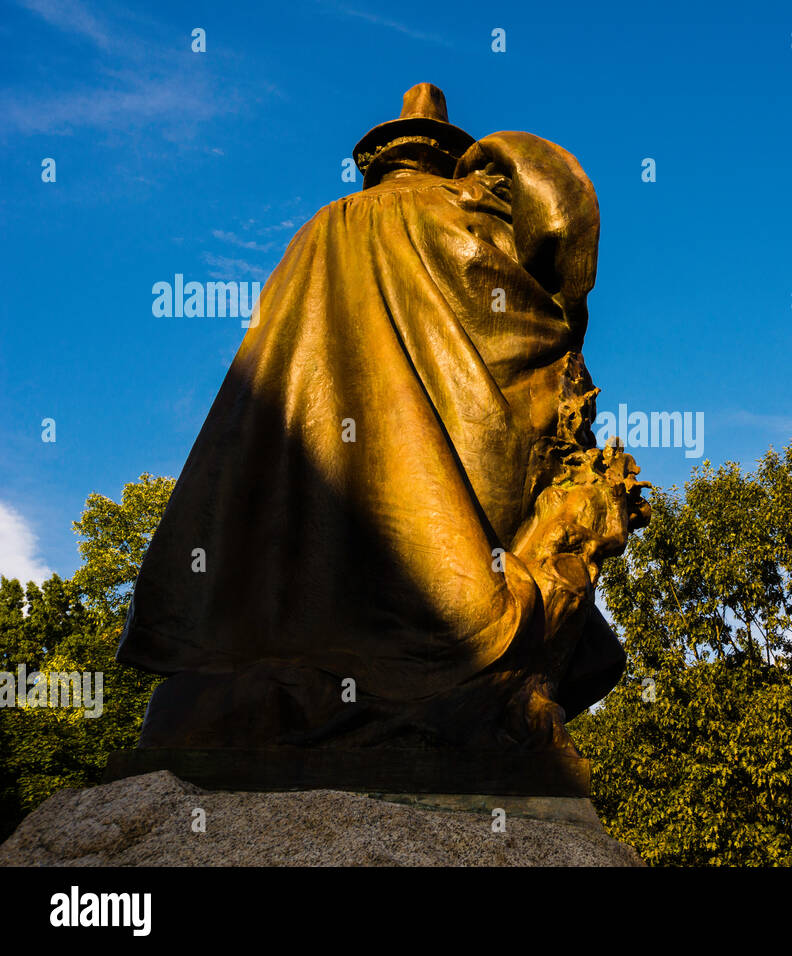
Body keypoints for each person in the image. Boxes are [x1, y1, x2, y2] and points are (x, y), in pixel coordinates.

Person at [117, 84, 648, 758]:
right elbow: (548, 333)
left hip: (317, 526)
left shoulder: (318, 231)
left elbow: (272, 381)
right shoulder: (471, 219)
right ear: (449, 158)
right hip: (460, 532)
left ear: (377, 159)